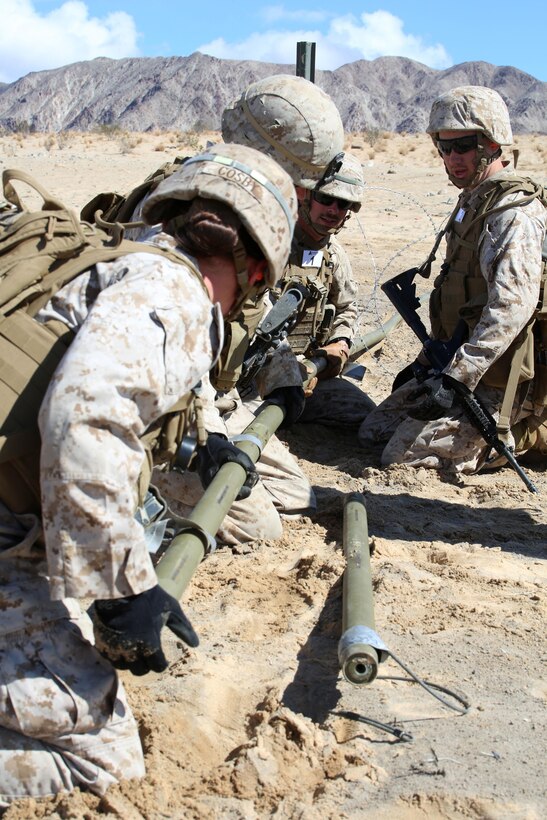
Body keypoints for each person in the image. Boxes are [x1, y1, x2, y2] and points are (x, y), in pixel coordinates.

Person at [0, 143, 297, 804]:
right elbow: (86, 420)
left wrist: (195, 448)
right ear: (254, 271)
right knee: (102, 767)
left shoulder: (110, 261)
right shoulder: (175, 293)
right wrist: (122, 593)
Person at [122, 74, 349, 544]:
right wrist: (207, 436)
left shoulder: (246, 210)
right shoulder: (180, 210)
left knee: (296, 495)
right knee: (259, 525)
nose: (306, 198)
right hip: (154, 404)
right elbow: (166, 345)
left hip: (212, 397)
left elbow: (256, 315)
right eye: (302, 183)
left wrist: (284, 378)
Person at [358, 85, 547, 476]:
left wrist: (457, 378)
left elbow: (511, 310)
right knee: (372, 433)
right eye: (443, 148)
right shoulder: (473, 202)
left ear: (492, 144)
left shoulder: (512, 216)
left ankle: (529, 431)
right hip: (458, 362)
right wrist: (430, 363)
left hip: (501, 378)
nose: (452, 158)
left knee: (403, 457)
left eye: (462, 146)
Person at [248, 151, 376, 428]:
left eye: (343, 204)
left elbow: (346, 307)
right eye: (325, 198)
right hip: (254, 377)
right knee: (247, 428)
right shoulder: (271, 246)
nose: (333, 210)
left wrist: (339, 343)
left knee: (367, 417)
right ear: (306, 195)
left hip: (309, 373)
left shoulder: (333, 256)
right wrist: (285, 371)